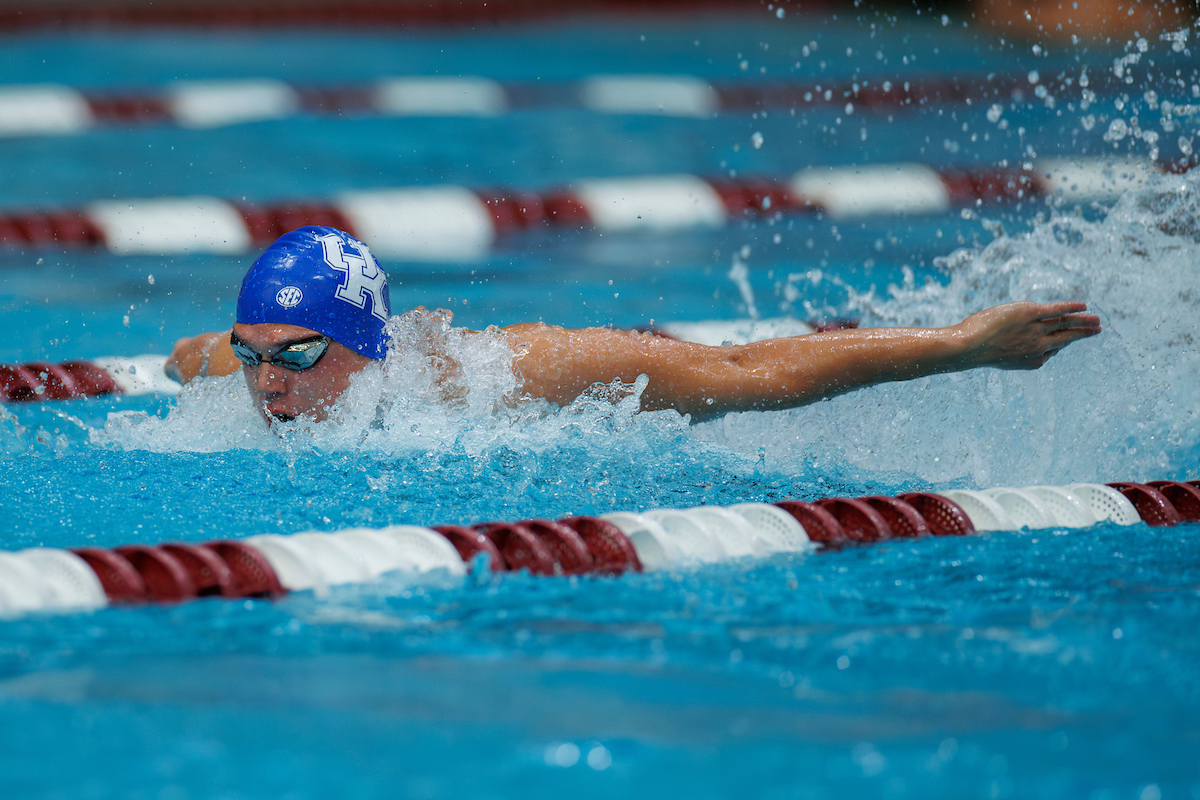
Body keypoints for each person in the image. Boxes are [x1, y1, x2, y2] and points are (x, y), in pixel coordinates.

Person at [165, 226, 1102, 425]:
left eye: (296, 354)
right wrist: (208, 358)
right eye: (250, 357)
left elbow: (747, 367)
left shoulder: (514, 374)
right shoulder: (241, 366)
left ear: (367, 345)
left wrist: (959, 346)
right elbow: (191, 356)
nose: (266, 383)